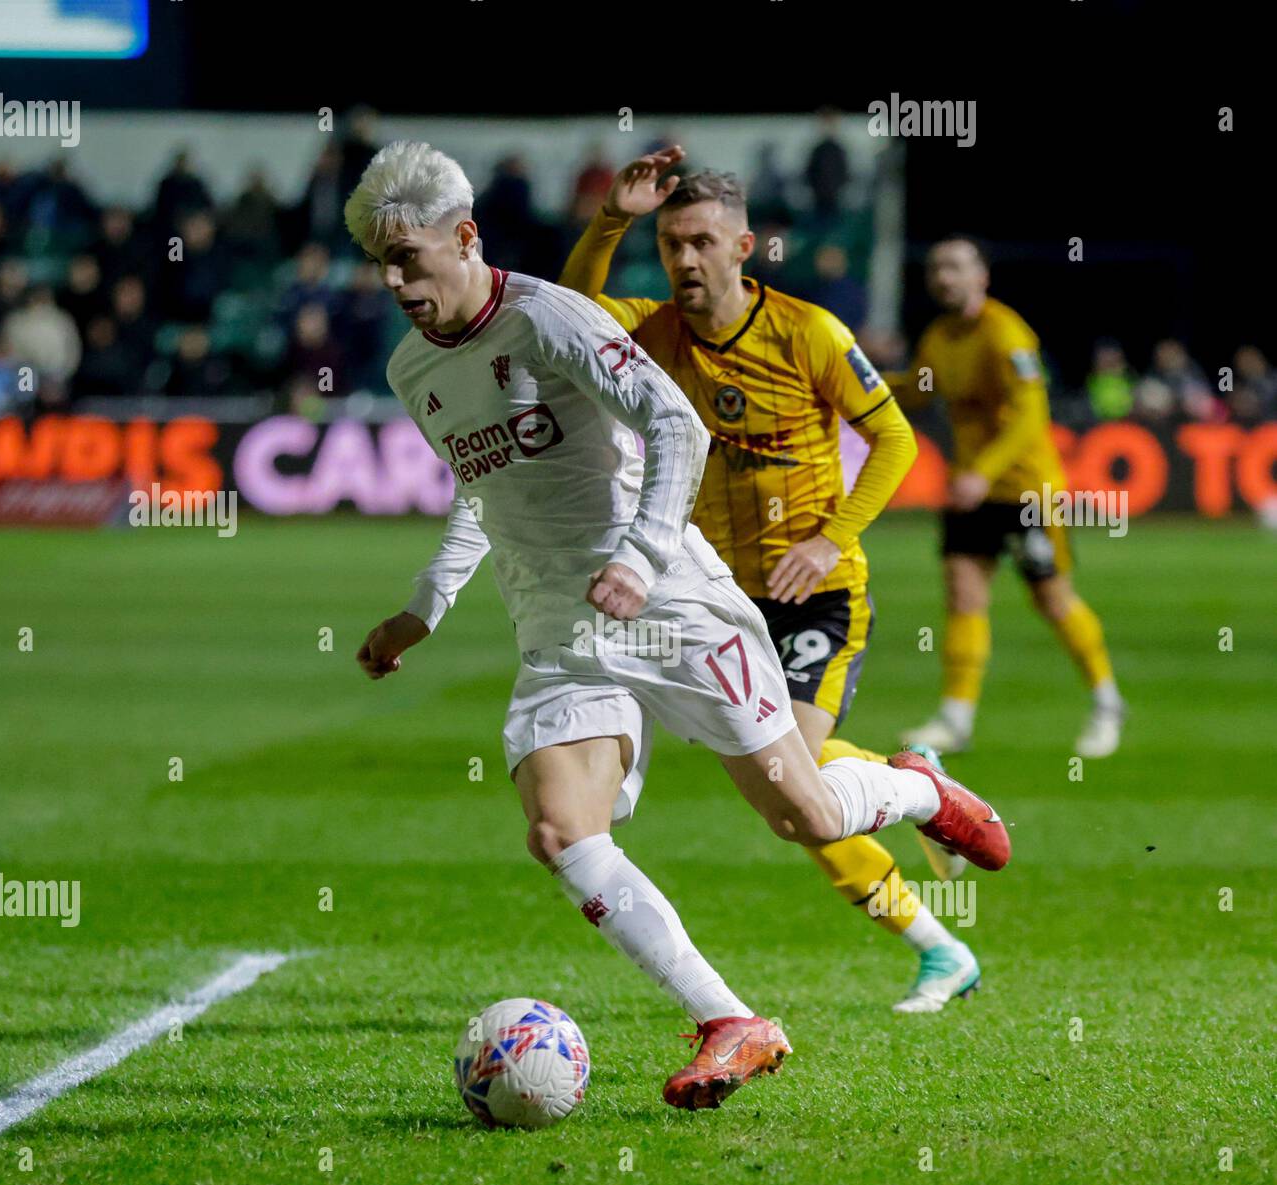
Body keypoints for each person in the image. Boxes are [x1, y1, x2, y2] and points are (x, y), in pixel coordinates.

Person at [347, 142, 1011, 1112]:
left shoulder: (549, 318)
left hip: (670, 608)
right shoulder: (414, 367)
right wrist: (423, 607)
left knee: (804, 816)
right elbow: (482, 488)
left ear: (465, 236)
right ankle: (729, 1020)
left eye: (409, 257)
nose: (397, 281)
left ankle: (913, 789)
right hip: (560, 629)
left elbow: (675, 427)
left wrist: (641, 556)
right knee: (558, 831)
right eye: (382, 263)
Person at [559, 147, 982, 1014]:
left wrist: (831, 540)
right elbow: (573, 312)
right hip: (720, 600)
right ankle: (932, 898)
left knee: (804, 778)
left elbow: (895, 438)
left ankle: (931, 885)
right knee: (795, 803)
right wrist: (613, 219)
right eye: (671, 243)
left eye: (702, 242)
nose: (683, 260)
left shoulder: (810, 331)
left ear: (743, 246)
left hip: (816, 595)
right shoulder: (653, 332)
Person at [890, 237, 1125, 759]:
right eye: (936, 268)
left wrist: (983, 471)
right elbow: (916, 392)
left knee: (1052, 598)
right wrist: (853, 385)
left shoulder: (1006, 333)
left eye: (955, 267)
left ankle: (1106, 701)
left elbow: (1030, 415)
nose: (943, 277)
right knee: (963, 594)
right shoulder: (939, 337)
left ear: (981, 277)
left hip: (1024, 491)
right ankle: (956, 716)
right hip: (972, 490)